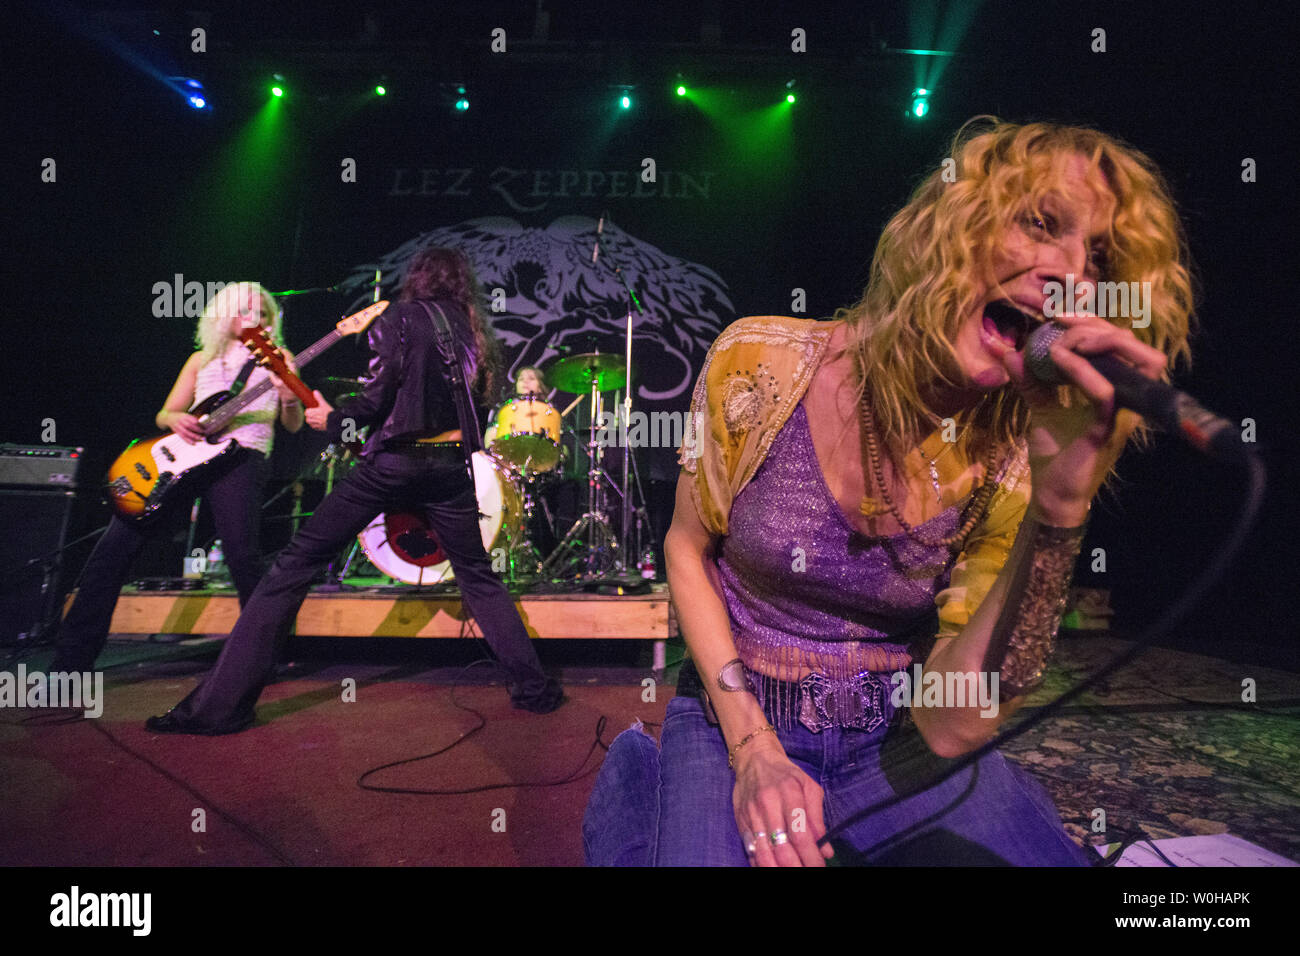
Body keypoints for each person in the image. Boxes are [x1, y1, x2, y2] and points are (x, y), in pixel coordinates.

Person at [583, 118, 1194, 865]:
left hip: (900, 727)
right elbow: (685, 546)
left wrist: (1060, 506)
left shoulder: (1018, 456)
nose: (1071, 271)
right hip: (734, 710)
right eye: (1042, 224)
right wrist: (752, 753)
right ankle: (642, 776)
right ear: (951, 228)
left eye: (1100, 260)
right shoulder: (762, 363)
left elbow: (954, 725)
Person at [145, 248, 564, 735]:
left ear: (418, 279)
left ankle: (220, 708)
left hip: (394, 463)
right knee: (478, 577)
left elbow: (377, 397)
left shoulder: (398, 317)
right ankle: (535, 691)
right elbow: (480, 401)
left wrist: (334, 418)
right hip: (450, 467)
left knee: (292, 566)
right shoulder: (473, 328)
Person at [51, 282, 303, 673]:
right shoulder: (200, 359)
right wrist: (177, 420)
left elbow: (292, 424)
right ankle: (71, 660)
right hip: (183, 460)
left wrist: (288, 396)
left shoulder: (280, 358)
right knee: (115, 545)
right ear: (224, 314)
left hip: (243, 458)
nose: (257, 319)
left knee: (242, 555)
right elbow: (166, 413)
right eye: (246, 311)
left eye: (264, 313)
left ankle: (264, 657)